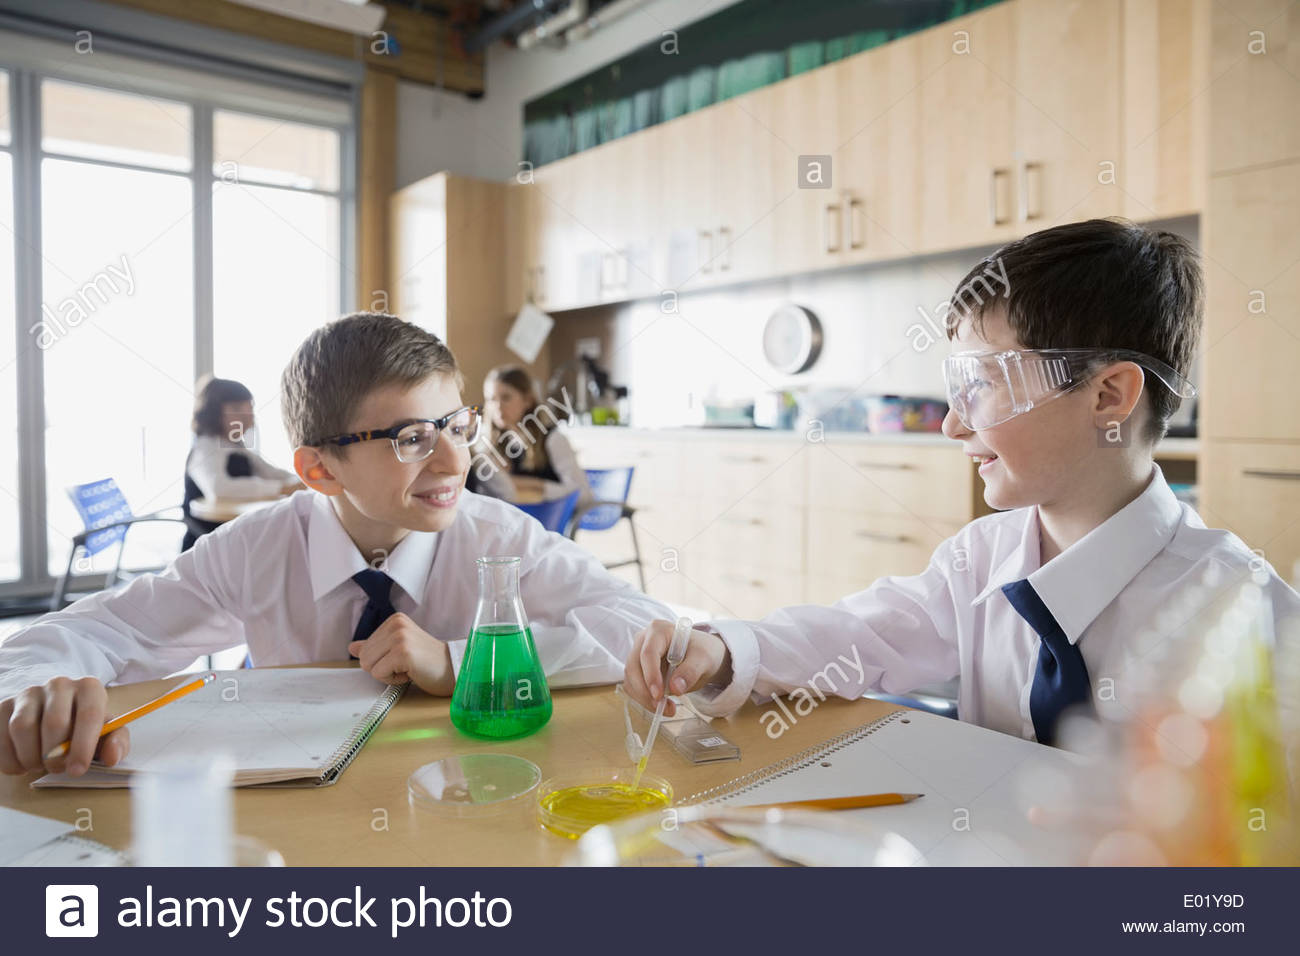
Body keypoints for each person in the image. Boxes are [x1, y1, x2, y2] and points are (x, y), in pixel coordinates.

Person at [624, 218, 1300, 746]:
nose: (951, 424)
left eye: (981, 386)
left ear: (1108, 396)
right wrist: (724, 648)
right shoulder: (978, 561)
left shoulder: (1250, 617)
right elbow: (859, 636)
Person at [0, 313, 671, 778]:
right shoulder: (258, 548)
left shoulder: (496, 536)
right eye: (412, 439)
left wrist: (466, 664)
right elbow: (88, 633)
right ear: (320, 470)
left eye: (458, 426)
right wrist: (36, 690)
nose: (451, 463)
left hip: (470, 808)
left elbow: (645, 629)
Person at [182, 376, 300, 550]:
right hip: (206, 542)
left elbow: (272, 473)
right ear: (214, 412)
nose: (248, 416)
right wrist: (281, 488)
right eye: (237, 408)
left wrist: (302, 480)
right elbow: (219, 488)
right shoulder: (205, 447)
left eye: (250, 408)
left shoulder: (237, 447)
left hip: (234, 536)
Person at [470, 365, 591, 505]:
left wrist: (532, 484)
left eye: (506, 398)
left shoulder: (553, 439)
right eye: (491, 399)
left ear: (527, 400)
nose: (497, 406)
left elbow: (582, 495)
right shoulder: (492, 444)